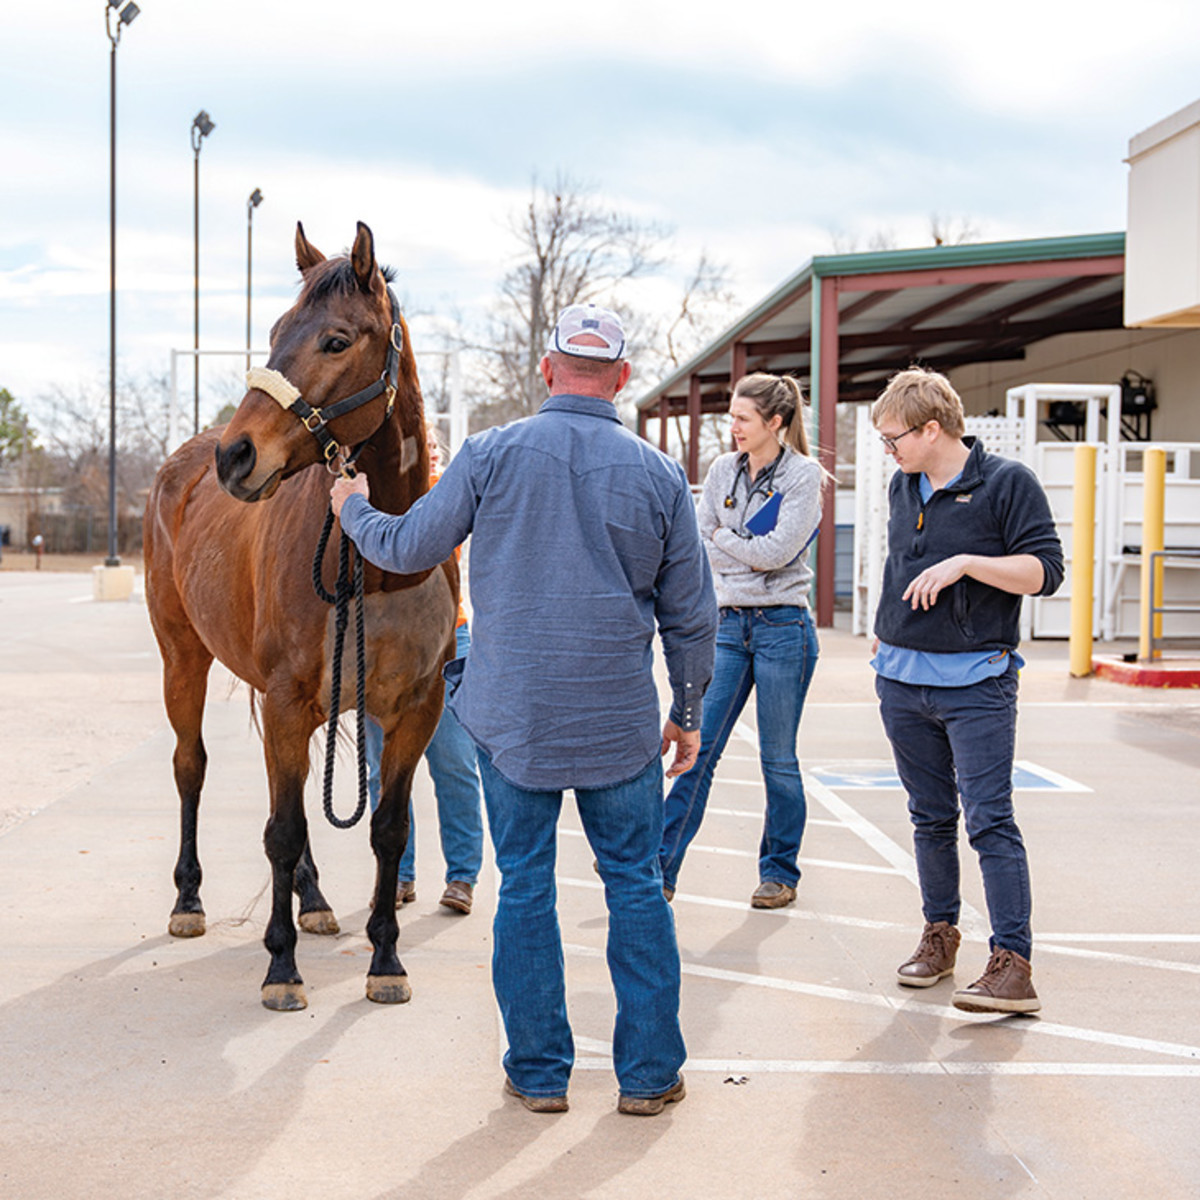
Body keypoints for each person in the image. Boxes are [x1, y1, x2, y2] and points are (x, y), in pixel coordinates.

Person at [331, 303, 717, 1117]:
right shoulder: (656, 476)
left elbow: (405, 548)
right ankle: (648, 1077)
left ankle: (540, 1075)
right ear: (620, 378)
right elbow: (692, 615)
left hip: (514, 725)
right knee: (637, 890)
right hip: (619, 729)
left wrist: (351, 508)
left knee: (527, 889)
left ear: (547, 371)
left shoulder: (491, 455)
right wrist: (686, 710)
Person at [870, 366, 1063, 1015]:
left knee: (990, 820)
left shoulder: (1008, 484)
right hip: (902, 681)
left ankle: (1013, 963)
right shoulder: (903, 484)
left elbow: (1044, 573)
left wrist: (967, 564)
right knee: (929, 819)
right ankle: (940, 937)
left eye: (893, 437)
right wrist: (885, 632)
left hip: (976, 684)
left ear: (932, 429)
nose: (888, 450)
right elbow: (902, 563)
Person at [659, 373, 824, 910]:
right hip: (728, 624)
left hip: (783, 629)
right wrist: (739, 546)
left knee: (778, 759)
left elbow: (776, 553)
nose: (732, 428)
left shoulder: (804, 478)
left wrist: (726, 541)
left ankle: (779, 872)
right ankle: (661, 865)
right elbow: (697, 538)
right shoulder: (721, 470)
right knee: (698, 748)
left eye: (742, 419)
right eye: (730, 417)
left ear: (775, 422)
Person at [363, 426, 483, 915]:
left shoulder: (447, 498)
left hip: (447, 640)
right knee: (383, 771)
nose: (429, 453)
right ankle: (398, 873)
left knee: (454, 763)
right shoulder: (379, 501)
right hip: (381, 647)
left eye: (435, 448)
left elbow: (434, 549)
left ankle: (462, 876)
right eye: (422, 447)